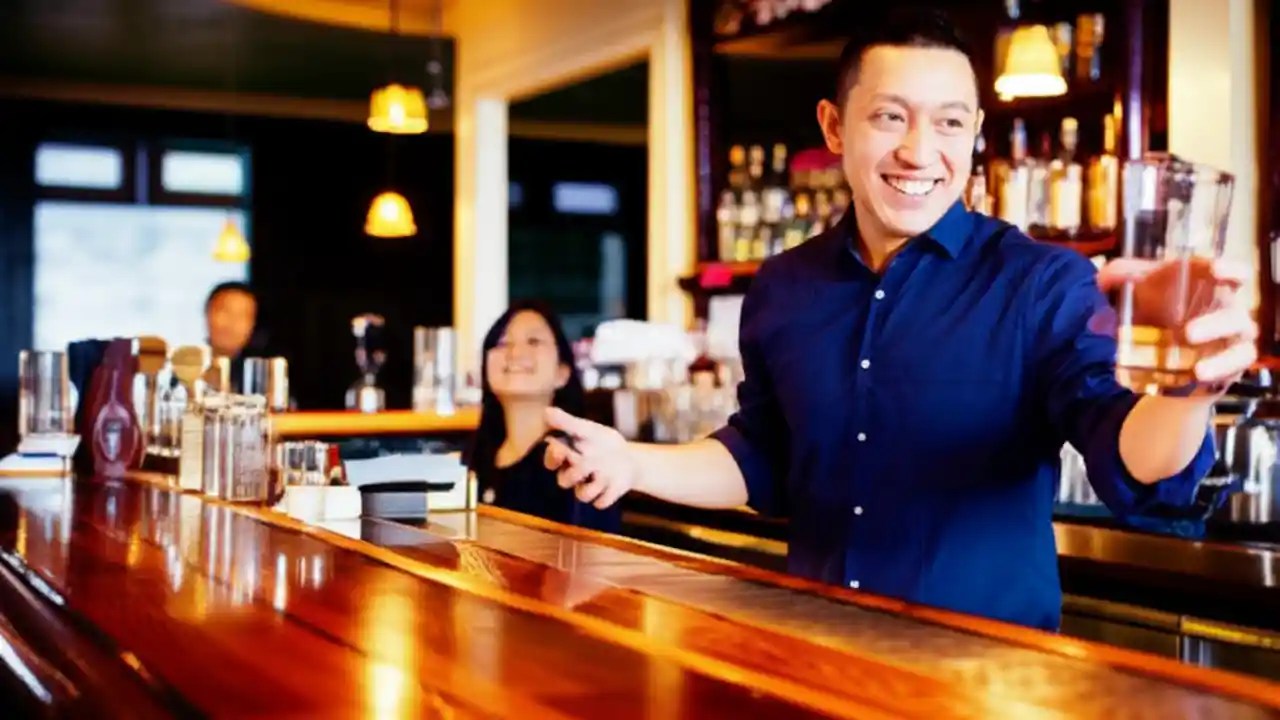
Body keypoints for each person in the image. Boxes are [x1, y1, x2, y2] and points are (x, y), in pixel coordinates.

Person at [543, 9, 1257, 631]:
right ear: (834, 125)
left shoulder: (1039, 282)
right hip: (816, 659)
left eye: (949, 122)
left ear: (976, 132)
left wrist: (1185, 388)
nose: (920, 151)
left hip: (984, 682)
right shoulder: (786, 287)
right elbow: (764, 458)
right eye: (890, 116)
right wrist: (630, 462)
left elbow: (1134, 461)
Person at [468, 301, 621, 534]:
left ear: (562, 372)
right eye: (502, 343)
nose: (515, 352)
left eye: (533, 341)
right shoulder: (471, 460)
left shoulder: (574, 463)